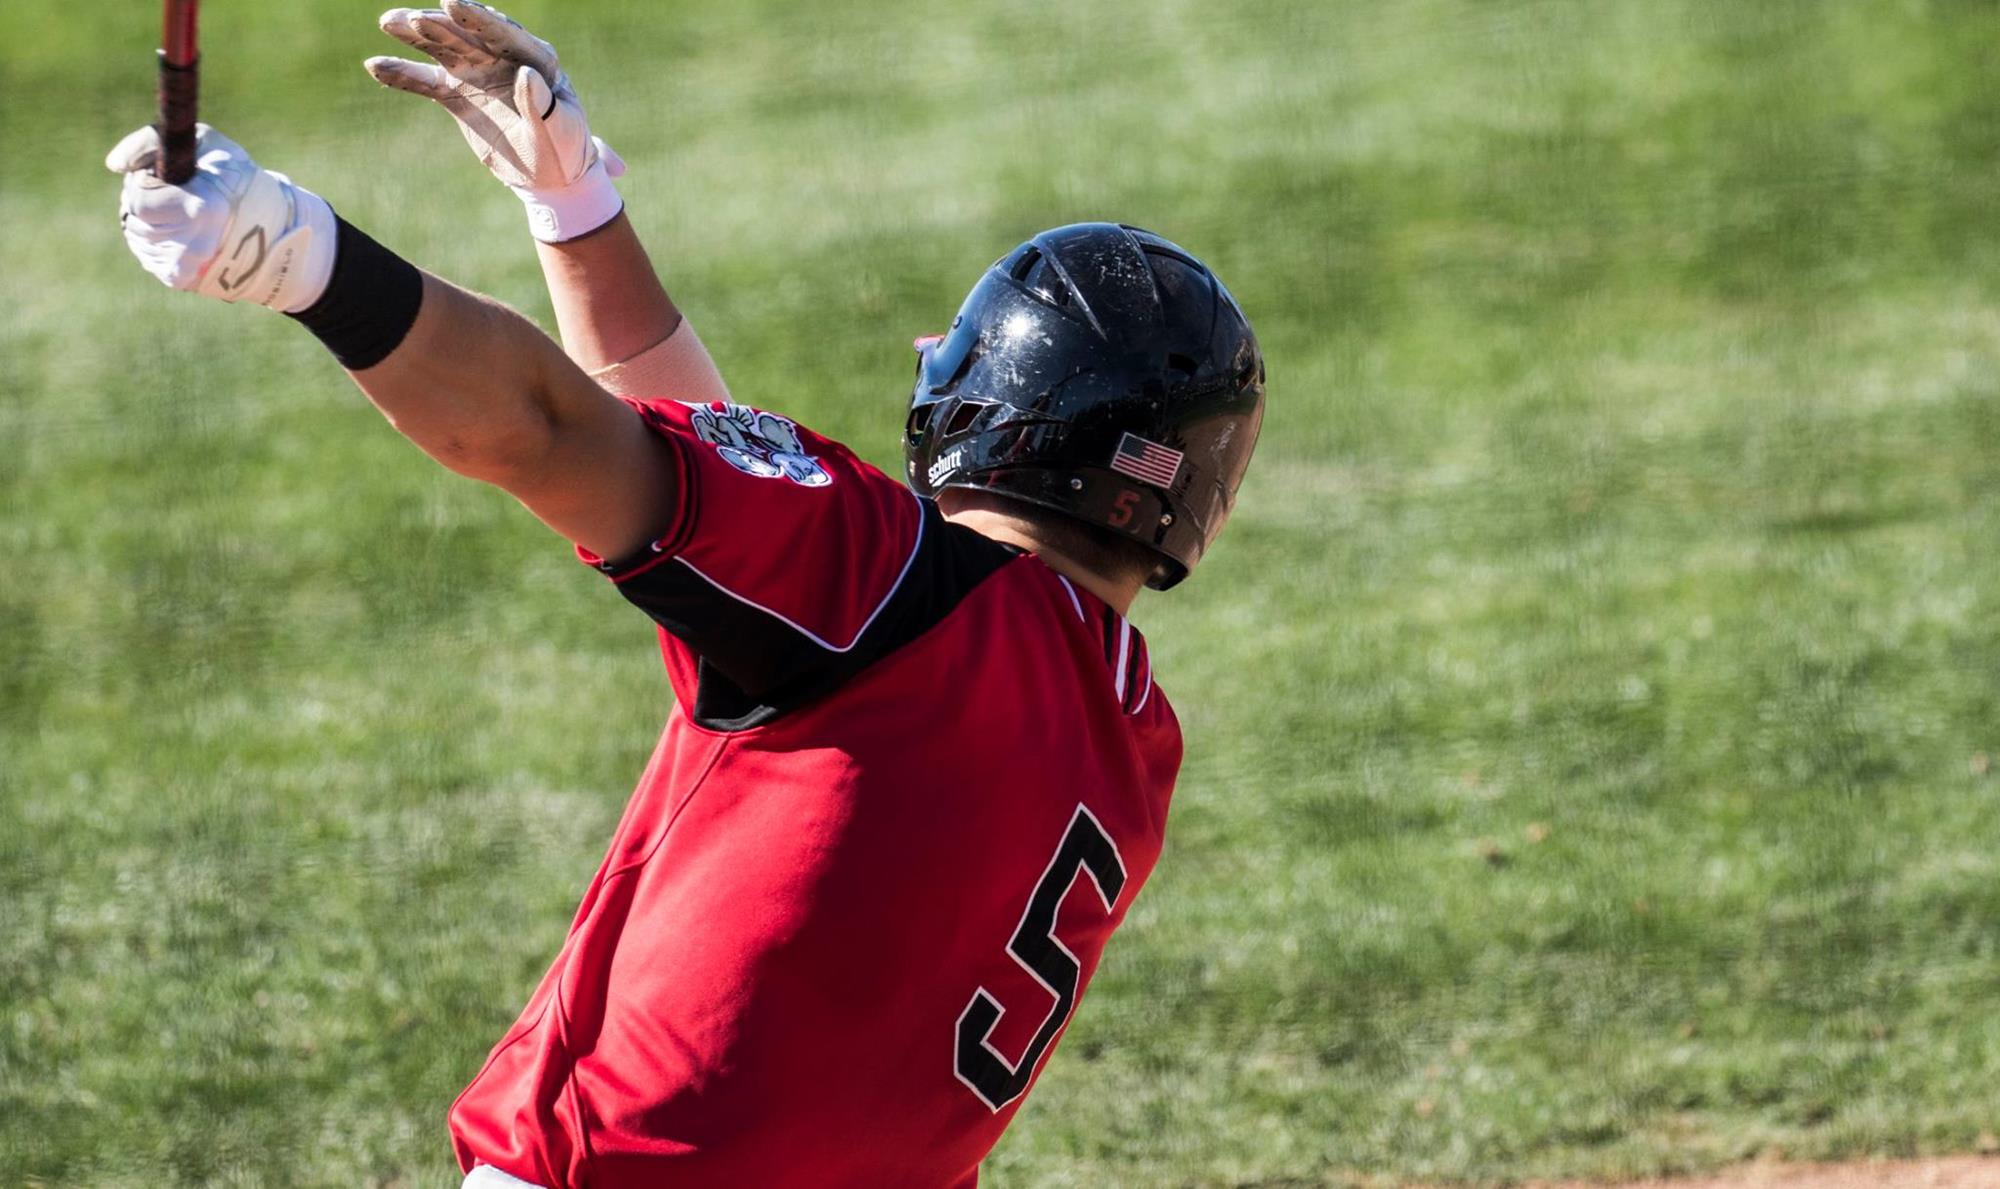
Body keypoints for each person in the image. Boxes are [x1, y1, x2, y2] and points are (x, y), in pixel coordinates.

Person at [106, 4, 1265, 1184]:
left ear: (1018, 410)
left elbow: (544, 427)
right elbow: (707, 458)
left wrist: (299, 257)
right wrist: (575, 211)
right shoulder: (1129, 734)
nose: (933, 349)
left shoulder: (891, 582)